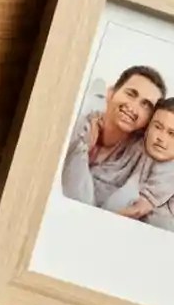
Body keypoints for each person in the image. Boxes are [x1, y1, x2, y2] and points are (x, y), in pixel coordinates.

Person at [61, 65, 166, 207]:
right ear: (111, 93)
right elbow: (77, 198)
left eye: (146, 105)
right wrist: (82, 149)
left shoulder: (141, 154)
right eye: (131, 94)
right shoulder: (77, 125)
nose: (133, 108)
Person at [101, 97, 174, 230]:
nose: (161, 138)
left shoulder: (170, 170)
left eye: (172, 134)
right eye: (157, 127)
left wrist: (102, 220)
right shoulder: (139, 144)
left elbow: (139, 209)